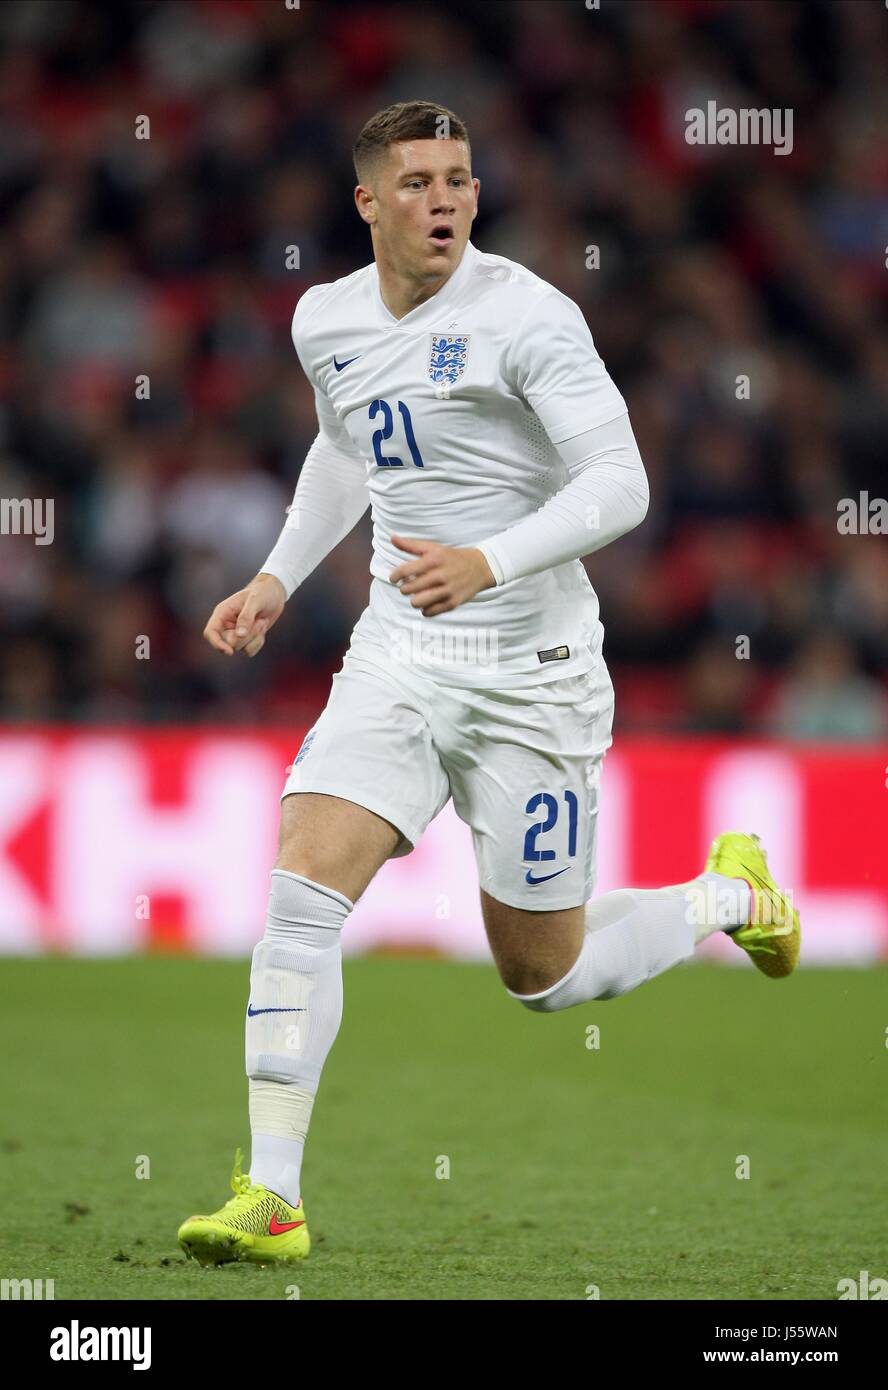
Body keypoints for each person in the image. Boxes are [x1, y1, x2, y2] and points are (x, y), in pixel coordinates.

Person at [177, 101, 799, 1266]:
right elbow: (345, 447)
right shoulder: (326, 320)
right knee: (302, 880)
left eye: (460, 177)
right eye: (415, 181)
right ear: (367, 203)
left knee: (543, 977)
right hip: (400, 655)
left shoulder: (527, 316)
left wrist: (490, 559)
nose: (445, 198)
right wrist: (274, 574)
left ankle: (729, 897)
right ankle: (272, 1193)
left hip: (535, 675)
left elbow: (622, 484)